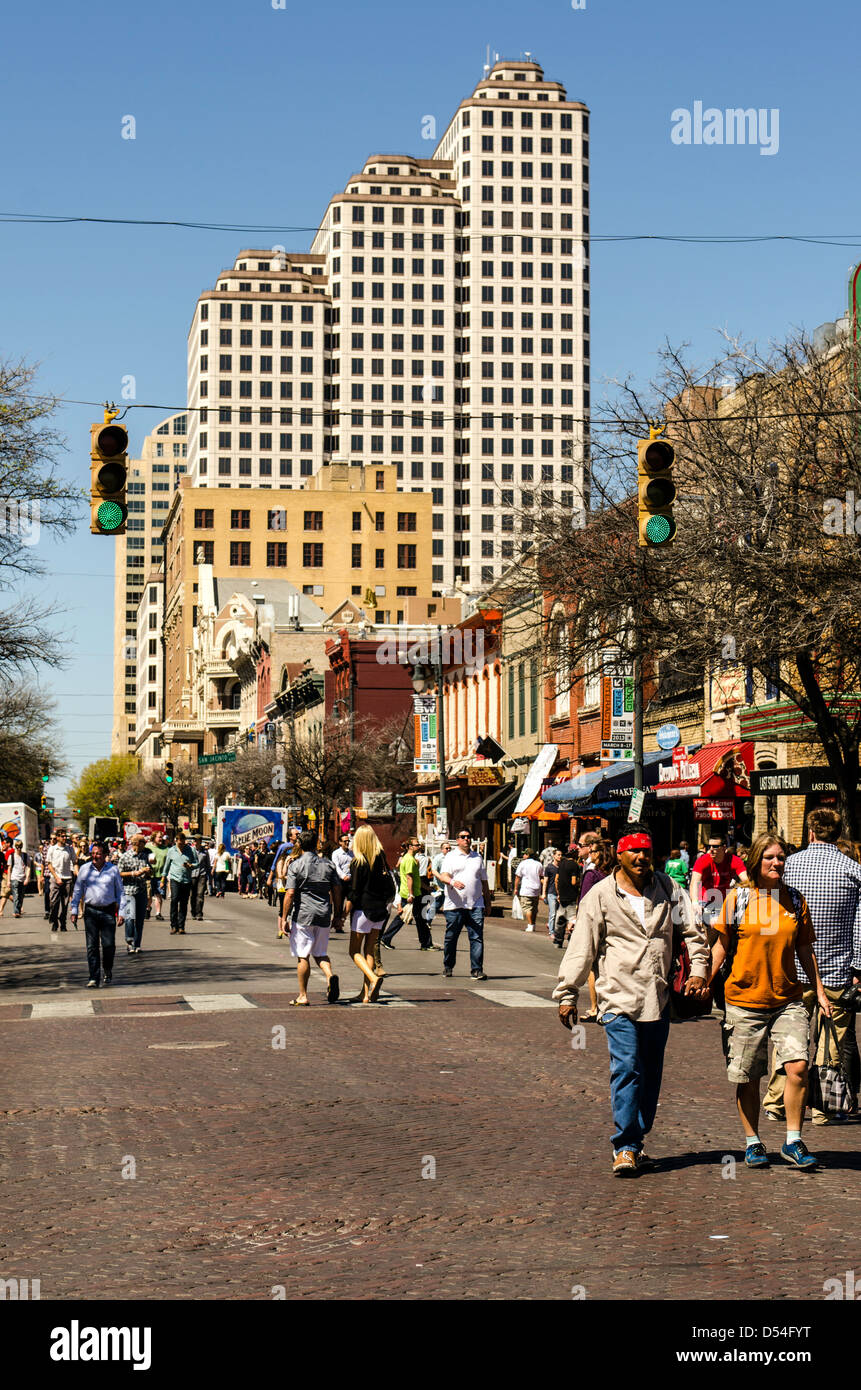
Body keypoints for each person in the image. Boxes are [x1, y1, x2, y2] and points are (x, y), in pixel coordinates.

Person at [554, 824, 709, 1177]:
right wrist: (567, 993)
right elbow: (582, 949)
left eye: (646, 850)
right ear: (619, 855)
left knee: (650, 1073)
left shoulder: (669, 889)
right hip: (616, 997)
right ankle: (624, 1145)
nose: (641, 857)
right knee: (626, 1068)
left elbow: (694, 934)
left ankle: (636, 1139)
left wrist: (699, 970)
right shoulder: (601, 895)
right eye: (634, 851)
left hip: (657, 997)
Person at [707, 833, 832, 1170]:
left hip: (787, 999)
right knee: (748, 1075)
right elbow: (721, 945)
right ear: (756, 861)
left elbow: (805, 948)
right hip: (744, 1000)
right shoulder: (738, 899)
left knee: (799, 1067)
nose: (777, 863)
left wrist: (818, 990)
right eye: (770, 858)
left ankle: (793, 1141)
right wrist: (703, 978)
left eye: (781, 857)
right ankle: (753, 1143)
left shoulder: (794, 899)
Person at [763, 808, 861, 1125]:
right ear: (838, 834)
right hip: (838, 969)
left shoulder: (789, 866)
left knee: (790, 1038)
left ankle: (777, 1102)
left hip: (793, 966)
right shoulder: (853, 870)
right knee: (831, 1045)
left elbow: (771, 912)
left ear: (810, 833)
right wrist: (858, 966)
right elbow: (860, 925)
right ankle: (823, 1107)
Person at [689, 830, 749, 1029]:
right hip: (708, 903)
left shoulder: (734, 860)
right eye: (709, 847)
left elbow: (745, 879)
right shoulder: (704, 860)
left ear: (724, 848)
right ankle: (705, 980)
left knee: (733, 940)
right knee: (710, 941)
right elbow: (695, 881)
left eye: (715, 847)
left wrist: (748, 894)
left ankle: (727, 974)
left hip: (727, 904)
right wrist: (695, 902)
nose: (711, 851)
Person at [280, 830, 342, 1005]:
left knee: (303, 956)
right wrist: (337, 915)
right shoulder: (328, 865)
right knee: (320, 953)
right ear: (316, 844)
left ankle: (303, 995)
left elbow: (290, 893)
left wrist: (284, 917)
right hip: (323, 914)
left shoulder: (296, 865)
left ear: (299, 844)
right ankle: (330, 976)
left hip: (303, 915)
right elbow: (337, 891)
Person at [343, 825, 391, 1003]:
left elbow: (354, 892)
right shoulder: (381, 858)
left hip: (363, 910)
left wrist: (342, 914)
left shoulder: (358, 862)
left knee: (354, 951)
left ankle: (373, 978)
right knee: (369, 951)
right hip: (380, 910)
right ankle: (366, 994)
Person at [437, 828, 491, 980]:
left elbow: (484, 881)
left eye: (468, 837)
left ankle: (477, 970)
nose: (466, 839)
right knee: (451, 937)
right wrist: (453, 882)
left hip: (475, 905)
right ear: (457, 840)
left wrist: (487, 902)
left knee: (477, 937)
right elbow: (444, 876)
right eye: (463, 837)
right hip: (454, 905)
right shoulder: (451, 857)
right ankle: (448, 966)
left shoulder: (477, 857)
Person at [70, 840, 123, 988]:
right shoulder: (84, 869)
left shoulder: (113, 870)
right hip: (91, 911)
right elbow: (77, 891)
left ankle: (107, 968)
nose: (95, 856)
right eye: (93, 853)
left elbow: (120, 892)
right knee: (92, 946)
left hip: (108, 911)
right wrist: (74, 909)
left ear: (105, 855)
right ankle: (93, 976)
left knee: (108, 945)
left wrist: (122, 912)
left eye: (98, 854)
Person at [117, 834, 151, 954]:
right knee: (130, 918)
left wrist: (148, 872)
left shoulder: (145, 856)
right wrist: (133, 873)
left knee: (140, 919)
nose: (145, 845)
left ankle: (137, 944)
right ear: (136, 844)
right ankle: (129, 942)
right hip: (128, 891)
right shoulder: (125, 857)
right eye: (143, 842)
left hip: (141, 891)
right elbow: (119, 873)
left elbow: (150, 871)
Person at [160, 833, 198, 935]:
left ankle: (181, 926)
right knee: (174, 900)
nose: (181, 845)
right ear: (176, 841)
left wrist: (191, 865)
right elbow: (166, 866)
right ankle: (173, 925)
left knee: (184, 903)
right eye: (179, 843)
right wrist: (163, 880)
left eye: (182, 843)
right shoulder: (171, 851)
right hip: (174, 879)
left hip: (186, 880)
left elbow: (196, 863)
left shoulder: (191, 850)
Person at [46, 828, 77, 933]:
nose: (64, 838)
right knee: (53, 902)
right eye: (62, 836)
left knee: (65, 903)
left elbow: (75, 861)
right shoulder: (52, 849)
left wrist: (77, 872)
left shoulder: (69, 849)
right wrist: (56, 877)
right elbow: (49, 864)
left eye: (65, 836)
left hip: (67, 878)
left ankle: (63, 922)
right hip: (55, 878)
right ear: (58, 837)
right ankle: (54, 920)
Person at [552, 844, 580, 949]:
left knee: (560, 919)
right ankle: (571, 940)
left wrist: (558, 892)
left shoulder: (562, 864)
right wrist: (579, 883)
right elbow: (573, 882)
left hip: (562, 896)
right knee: (572, 920)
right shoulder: (574, 865)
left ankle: (558, 940)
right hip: (571, 896)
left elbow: (556, 879)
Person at [514, 848, 542, 932]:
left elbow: (517, 877)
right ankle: (533, 923)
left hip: (526, 889)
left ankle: (530, 925)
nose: (523, 856)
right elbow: (541, 876)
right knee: (534, 908)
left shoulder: (523, 864)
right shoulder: (538, 864)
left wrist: (515, 888)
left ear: (528, 855)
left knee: (527, 908)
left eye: (525, 854)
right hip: (536, 889)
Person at [540, 848, 563, 941]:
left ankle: (551, 926)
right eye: (558, 855)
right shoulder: (549, 867)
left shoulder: (562, 867)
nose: (560, 856)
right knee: (553, 913)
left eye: (561, 855)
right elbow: (545, 881)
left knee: (558, 914)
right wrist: (543, 893)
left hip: (560, 894)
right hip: (551, 893)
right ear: (553, 856)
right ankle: (552, 932)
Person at [147, 830, 168, 920]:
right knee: (148, 895)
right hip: (149, 874)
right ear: (154, 838)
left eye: (161, 837)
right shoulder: (147, 847)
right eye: (159, 837)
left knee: (158, 894)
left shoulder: (166, 849)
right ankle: (147, 908)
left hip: (160, 875)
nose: (161, 839)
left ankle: (158, 913)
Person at [7, 840, 31, 917]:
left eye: (20, 847)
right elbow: (9, 869)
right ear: (15, 847)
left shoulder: (25, 856)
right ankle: (16, 912)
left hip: (23, 878)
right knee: (16, 896)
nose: (19, 849)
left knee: (21, 896)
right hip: (14, 878)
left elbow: (28, 867)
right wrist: (8, 880)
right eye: (17, 847)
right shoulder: (12, 856)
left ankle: (18, 911)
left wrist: (27, 878)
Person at [189, 835, 208, 921]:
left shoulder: (205, 852)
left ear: (201, 842)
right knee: (193, 895)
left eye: (199, 841)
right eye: (195, 841)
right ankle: (193, 911)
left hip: (202, 875)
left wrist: (209, 877)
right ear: (194, 842)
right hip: (192, 874)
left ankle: (199, 913)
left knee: (200, 894)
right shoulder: (190, 851)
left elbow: (207, 865)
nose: (197, 842)